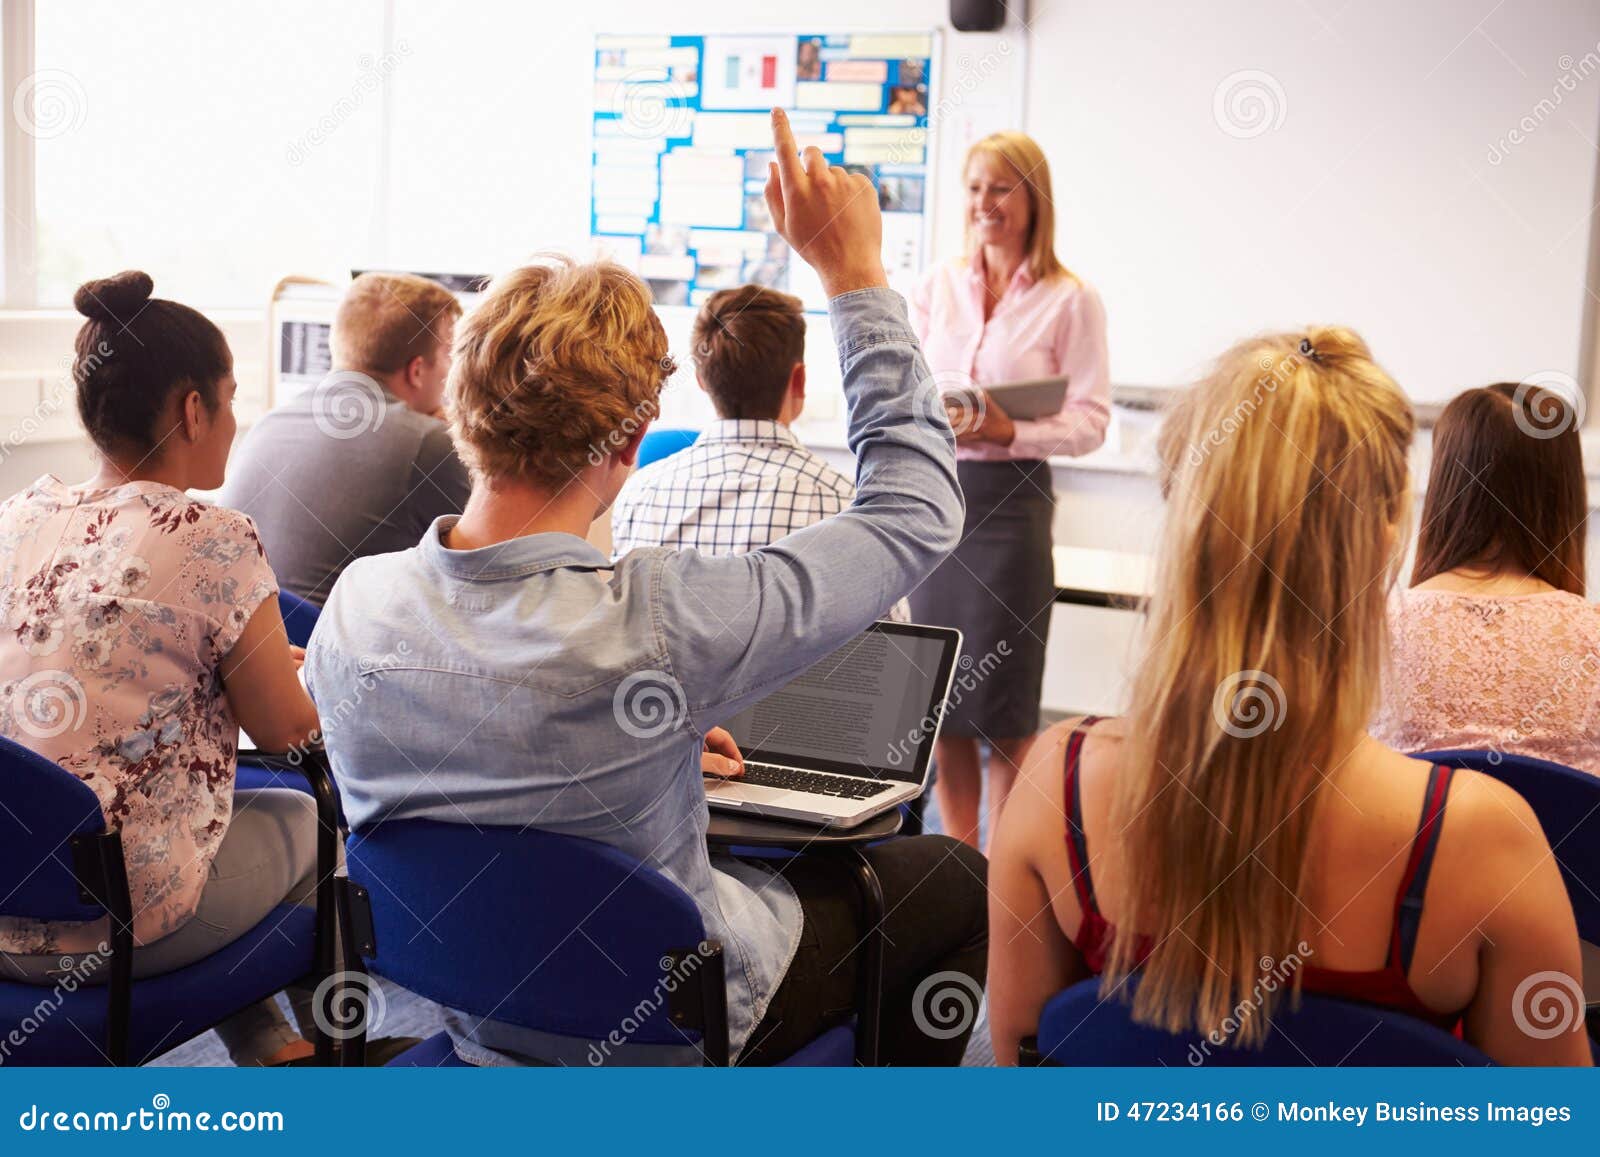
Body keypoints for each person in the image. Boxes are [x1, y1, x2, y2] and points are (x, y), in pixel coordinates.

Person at [306, 109, 987, 1066]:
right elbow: (914, 507)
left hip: (471, 1007)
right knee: (950, 877)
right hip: (668, 1025)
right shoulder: (662, 621)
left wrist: (652, 740)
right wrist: (852, 276)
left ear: (459, 408)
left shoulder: (355, 607)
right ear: (631, 441)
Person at [986, 330, 1591, 1066]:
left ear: (1185, 515)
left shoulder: (1055, 784)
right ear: (1387, 535)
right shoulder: (1483, 838)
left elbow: (1022, 1072)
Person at [0, 272, 326, 1067]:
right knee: (311, 822)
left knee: (208, 811)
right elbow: (287, 730)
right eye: (229, 395)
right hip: (110, 922)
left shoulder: (19, 516)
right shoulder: (211, 533)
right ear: (191, 409)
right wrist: (313, 676)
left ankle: (267, 1041)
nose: (234, 418)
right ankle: (317, 1061)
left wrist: (221, 674)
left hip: (6, 902)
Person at [907, 131, 1111, 848]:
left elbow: (1090, 421)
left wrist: (1007, 432)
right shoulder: (936, 285)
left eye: (1000, 188)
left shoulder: (1069, 300)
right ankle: (959, 858)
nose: (983, 204)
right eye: (973, 188)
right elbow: (912, 389)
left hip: (1012, 507)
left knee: (1004, 703)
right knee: (944, 696)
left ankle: (1008, 863)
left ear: (1033, 199)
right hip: (941, 501)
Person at [609, 283, 905, 627]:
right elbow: (893, 635)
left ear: (702, 380)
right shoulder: (845, 504)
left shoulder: (639, 493)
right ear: (799, 380)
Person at [1372, 382, 1600, 773]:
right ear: (1565, 493)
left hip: (1410, 835)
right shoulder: (1592, 636)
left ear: (1444, 483)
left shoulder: (1371, 632)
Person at [219, 272, 470, 605]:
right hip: (331, 649)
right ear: (418, 370)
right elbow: (485, 567)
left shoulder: (267, 424)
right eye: (449, 358)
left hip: (251, 642)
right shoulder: (428, 443)